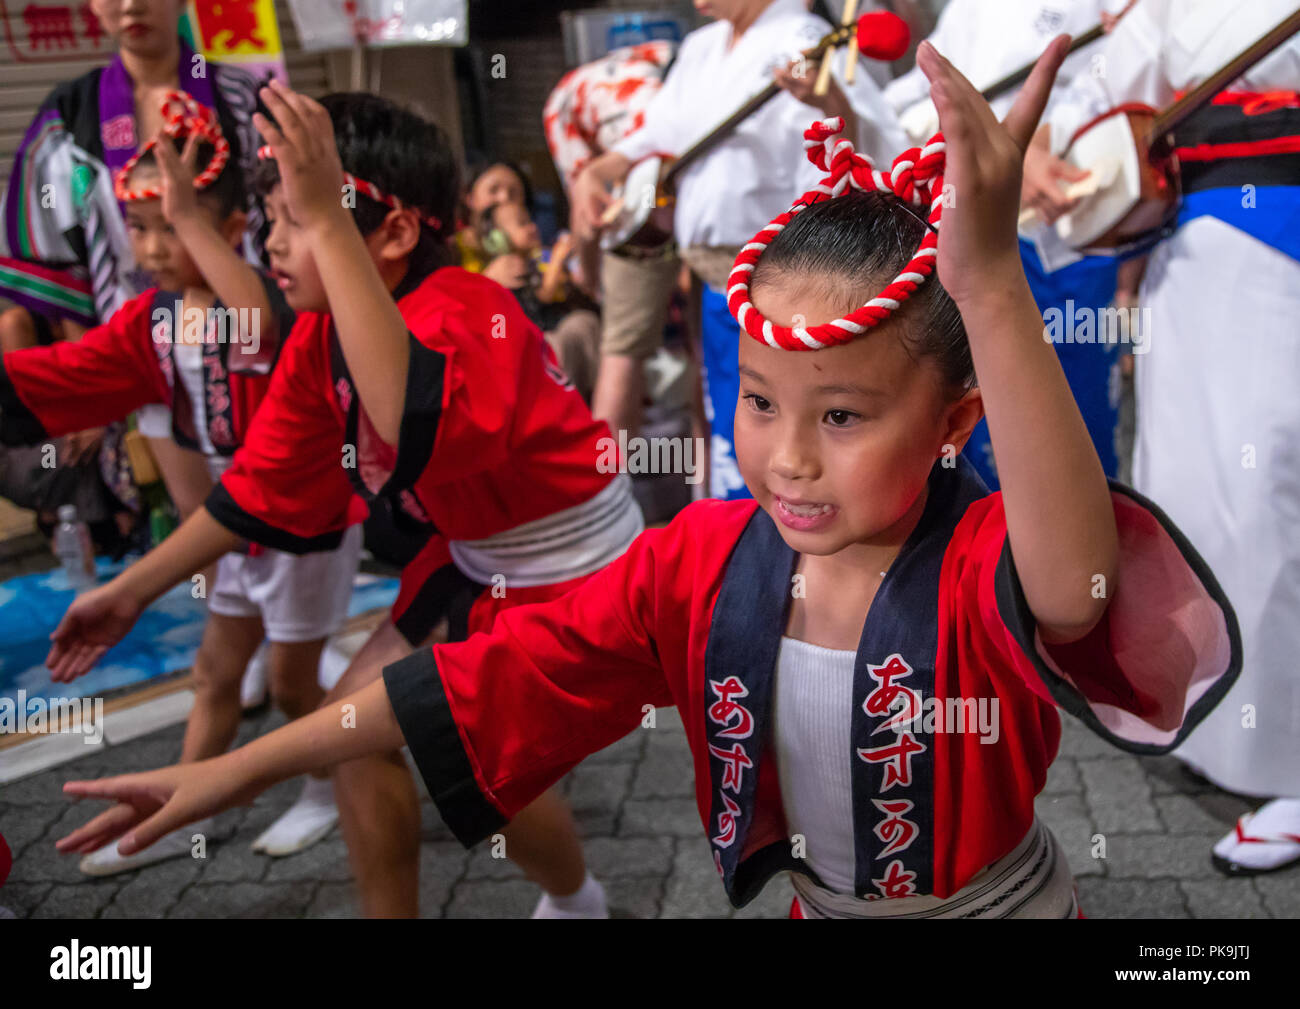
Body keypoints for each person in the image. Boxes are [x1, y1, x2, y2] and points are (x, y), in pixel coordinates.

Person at [55, 40, 1240, 919]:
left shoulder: (984, 558)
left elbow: (1080, 585)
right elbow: (471, 680)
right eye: (761, 402)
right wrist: (234, 769)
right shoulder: (703, 561)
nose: (785, 456)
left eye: (843, 415)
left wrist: (987, 280)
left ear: (954, 420)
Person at [48, 87, 643, 918]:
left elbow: (409, 417)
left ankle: (578, 900)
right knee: (354, 732)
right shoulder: (318, 338)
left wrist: (329, 219)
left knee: (467, 756)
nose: (276, 246)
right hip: (475, 561)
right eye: (275, 220)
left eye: (303, 220)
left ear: (396, 231)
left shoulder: (477, 309)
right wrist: (130, 589)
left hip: (582, 577)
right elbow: (256, 484)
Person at [0, 112, 359, 874]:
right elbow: (63, 377)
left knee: (296, 682)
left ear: (233, 225)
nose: (156, 247)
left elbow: (255, 324)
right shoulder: (151, 320)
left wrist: (192, 222)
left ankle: (330, 788)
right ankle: (162, 817)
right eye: (140, 228)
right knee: (213, 672)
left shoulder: (275, 299)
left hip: (303, 519)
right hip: (225, 528)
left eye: (174, 227)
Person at [1043, 0, 1300, 876]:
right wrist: (1049, 155)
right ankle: (1222, 716)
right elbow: (1098, 97)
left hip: (1257, 236)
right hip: (1210, 246)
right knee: (1205, 489)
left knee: (1267, 488)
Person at [572, 0, 910, 500]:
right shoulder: (700, 47)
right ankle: (736, 547)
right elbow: (657, 135)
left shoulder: (803, 36)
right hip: (711, 280)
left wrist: (832, 102)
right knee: (729, 416)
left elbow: (864, 155)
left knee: (785, 429)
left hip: (784, 277)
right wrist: (601, 170)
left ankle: (791, 550)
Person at [0, 0, 265, 542]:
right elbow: (59, 265)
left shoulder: (241, 100)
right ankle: (236, 618)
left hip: (254, 333)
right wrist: (93, 392)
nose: (129, 5)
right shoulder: (70, 114)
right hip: (145, 346)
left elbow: (291, 220)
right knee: (199, 521)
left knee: (270, 506)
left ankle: (287, 621)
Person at [885, 0, 1135, 487]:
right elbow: (918, 90)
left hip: (1063, 230)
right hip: (970, 221)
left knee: (1071, 424)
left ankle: (1083, 556)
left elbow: (1116, 77)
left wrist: (1044, 142)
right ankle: (984, 558)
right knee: (972, 417)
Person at [544, 39, 681, 437]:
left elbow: (588, 221)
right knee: (628, 348)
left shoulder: (666, 110)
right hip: (644, 176)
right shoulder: (577, 109)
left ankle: (617, 483)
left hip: (658, 167)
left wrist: (587, 273)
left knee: (623, 350)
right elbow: (590, 215)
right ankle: (616, 480)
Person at [476, 201, 601, 402]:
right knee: (557, 343)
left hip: (544, 333)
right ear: (498, 239)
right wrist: (558, 259)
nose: (532, 226)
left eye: (530, 220)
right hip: (531, 341)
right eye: (522, 223)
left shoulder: (532, 261)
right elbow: (543, 295)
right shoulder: (508, 266)